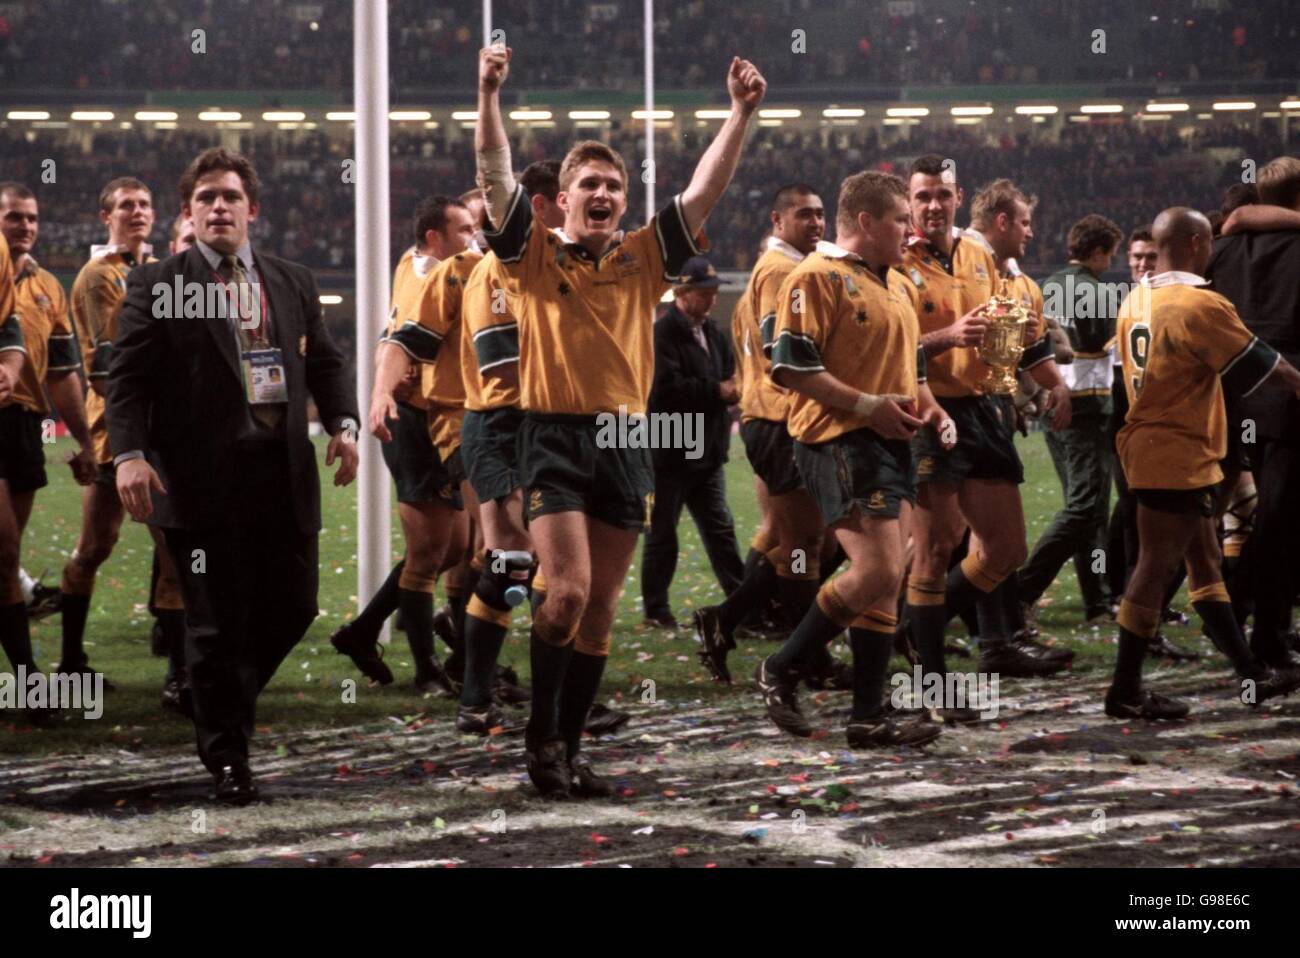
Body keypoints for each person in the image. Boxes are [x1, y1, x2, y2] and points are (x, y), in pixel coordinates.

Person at [475, 44, 765, 796]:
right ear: (563, 199)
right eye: (589, 184)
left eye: (613, 184)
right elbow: (494, 177)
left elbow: (704, 192)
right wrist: (489, 95)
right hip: (554, 435)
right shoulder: (531, 256)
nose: (602, 193)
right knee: (563, 592)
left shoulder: (643, 258)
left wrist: (740, 114)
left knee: (600, 612)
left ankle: (569, 748)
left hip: (626, 441)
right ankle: (542, 742)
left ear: (623, 200)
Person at [109, 147, 359, 804]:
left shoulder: (293, 280)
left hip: (281, 475)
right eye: (206, 198)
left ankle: (214, 693)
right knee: (215, 623)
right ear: (190, 213)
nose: (219, 207)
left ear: (252, 209)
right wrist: (128, 454)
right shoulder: (160, 283)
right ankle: (228, 757)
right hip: (198, 483)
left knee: (296, 604)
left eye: (229, 196)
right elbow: (128, 381)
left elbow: (328, 365)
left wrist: (346, 424)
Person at [756, 169, 952, 746]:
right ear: (866, 222)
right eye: (899, 219)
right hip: (838, 438)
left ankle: (867, 716)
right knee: (880, 571)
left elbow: (911, 368)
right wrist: (868, 406)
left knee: (887, 580)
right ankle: (782, 666)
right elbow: (789, 365)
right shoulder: (814, 275)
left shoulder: (893, 283)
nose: (910, 229)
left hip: (890, 439)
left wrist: (935, 410)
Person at [1107, 207, 1300, 719]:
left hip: (1151, 447)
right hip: (1178, 451)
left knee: (1204, 563)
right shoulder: (1200, 304)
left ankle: (1251, 675)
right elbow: (1268, 365)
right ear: (1195, 243)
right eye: (1209, 242)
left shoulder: (1136, 298)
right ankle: (1124, 691)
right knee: (1153, 568)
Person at [899, 155, 1065, 706]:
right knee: (935, 546)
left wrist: (1046, 386)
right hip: (929, 410)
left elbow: (1009, 333)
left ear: (956, 195)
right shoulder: (897, 262)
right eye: (922, 196)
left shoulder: (977, 255)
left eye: (941, 195)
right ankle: (933, 679)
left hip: (982, 409)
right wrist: (946, 336)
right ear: (909, 200)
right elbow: (886, 350)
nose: (932, 206)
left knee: (1005, 548)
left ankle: (918, 626)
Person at [333, 195, 477, 693]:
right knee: (432, 551)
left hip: (437, 417)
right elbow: (397, 340)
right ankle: (426, 670)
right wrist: (381, 389)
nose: (472, 238)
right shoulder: (428, 274)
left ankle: (363, 629)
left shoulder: (418, 265)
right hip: (415, 419)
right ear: (434, 237)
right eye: (464, 229)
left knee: (456, 546)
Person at [695, 183, 828, 682]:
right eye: (804, 215)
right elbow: (784, 349)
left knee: (803, 541)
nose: (815, 224)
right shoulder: (782, 272)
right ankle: (805, 657)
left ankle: (728, 618)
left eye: (820, 215)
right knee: (804, 546)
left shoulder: (776, 268)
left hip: (768, 419)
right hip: (779, 420)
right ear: (777, 220)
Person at [0, 183, 94, 722]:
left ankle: (24, 682)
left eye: (32, 218)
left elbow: (62, 374)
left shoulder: (45, 288)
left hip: (24, 424)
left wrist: (84, 440)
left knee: (5, 557)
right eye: (14, 217)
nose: (26, 226)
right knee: (4, 550)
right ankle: (29, 682)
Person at [59, 177, 157, 687]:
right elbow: (107, 363)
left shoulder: (156, 271)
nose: (137, 212)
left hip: (157, 426)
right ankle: (71, 659)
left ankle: (181, 664)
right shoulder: (99, 277)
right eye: (126, 206)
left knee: (174, 543)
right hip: (115, 428)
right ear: (106, 216)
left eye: (144, 204)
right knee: (97, 544)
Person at [1207, 156, 1300, 668]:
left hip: (1229, 395)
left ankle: (1232, 613)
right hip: (1288, 397)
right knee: (1279, 524)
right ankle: (1266, 633)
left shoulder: (1222, 248)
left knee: (1218, 513)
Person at [1019, 214, 1123, 625]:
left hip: (1051, 402)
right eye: (1109, 255)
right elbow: (1108, 346)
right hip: (1086, 408)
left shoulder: (1046, 286)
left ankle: (1096, 600)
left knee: (1087, 509)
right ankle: (1023, 589)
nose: (1109, 263)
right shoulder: (1095, 291)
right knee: (1086, 508)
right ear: (1097, 252)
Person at [1105, 227, 1200, 661]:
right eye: (1136, 257)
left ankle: (1141, 611)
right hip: (1141, 432)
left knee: (1173, 537)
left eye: (1149, 256)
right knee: (1136, 524)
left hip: (1154, 434)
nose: (1142, 264)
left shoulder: (1152, 302)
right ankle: (1130, 607)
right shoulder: (1132, 304)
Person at [640, 256, 744, 628]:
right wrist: (718, 391)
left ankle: (741, 603)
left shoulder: (714, 333)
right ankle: (656, 609)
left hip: (707, 452)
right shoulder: (660, 335)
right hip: (670, 452)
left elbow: (730, 373)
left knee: (721, 531)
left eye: (714, 293)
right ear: (681, 293)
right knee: (663, 532)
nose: (712, 299)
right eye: (704, 293)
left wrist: (728, 389)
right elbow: (663, 392)